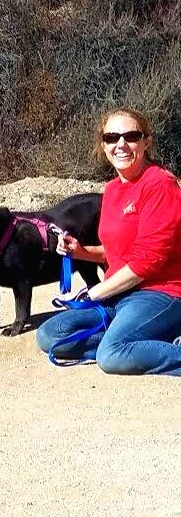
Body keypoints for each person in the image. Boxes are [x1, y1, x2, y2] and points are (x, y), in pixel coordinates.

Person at [37, 108, 181, 375]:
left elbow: (146, 263)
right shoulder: (112, 190)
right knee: (51, 336)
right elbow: (116, 252)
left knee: (111, 355)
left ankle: (150, 343)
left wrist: (94, 293)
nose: (121, 144)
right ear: (103, 145)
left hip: (163, 293)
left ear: (146, 141)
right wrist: (80, 252)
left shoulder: (160, 185)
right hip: (120, 293)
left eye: (131, 136)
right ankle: (151, 341)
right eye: (112, 137)